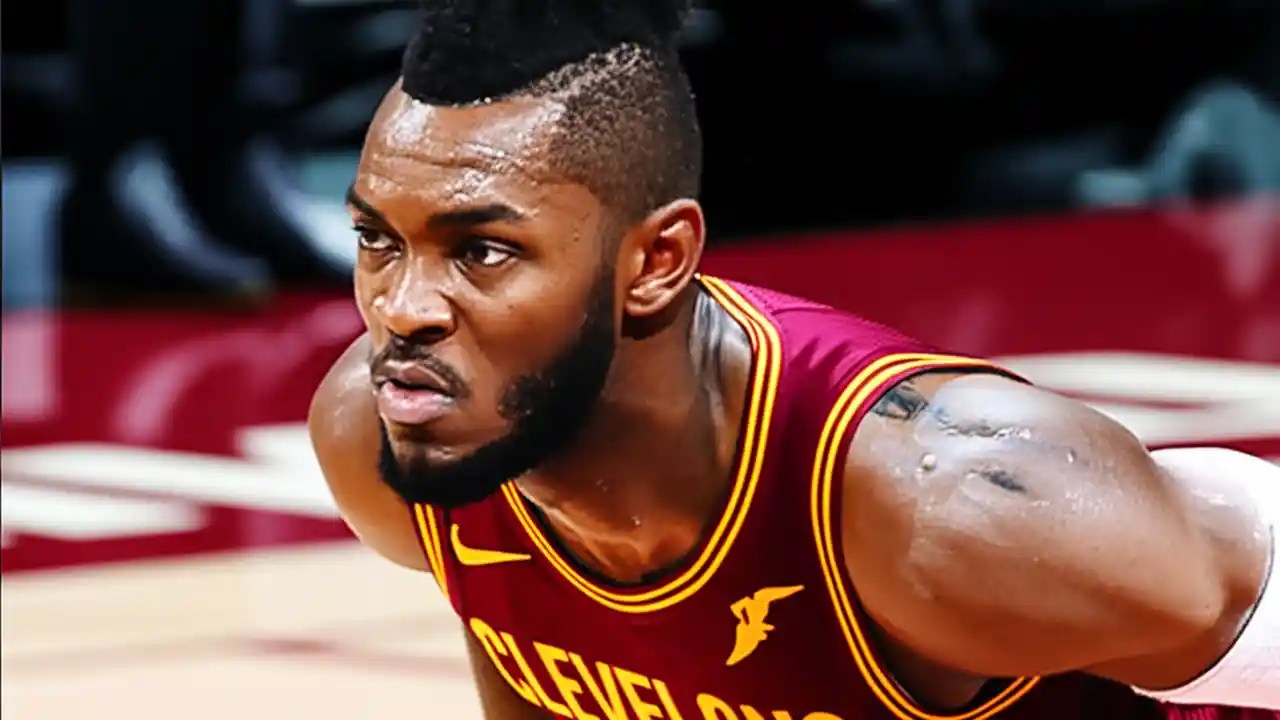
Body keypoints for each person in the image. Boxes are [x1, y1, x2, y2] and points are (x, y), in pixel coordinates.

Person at [307, 1, 1279, 718]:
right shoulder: (401, 437)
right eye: (378, 242)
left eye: (480, 252)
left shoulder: (948, 506)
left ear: (656, 263)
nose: (403, 310)